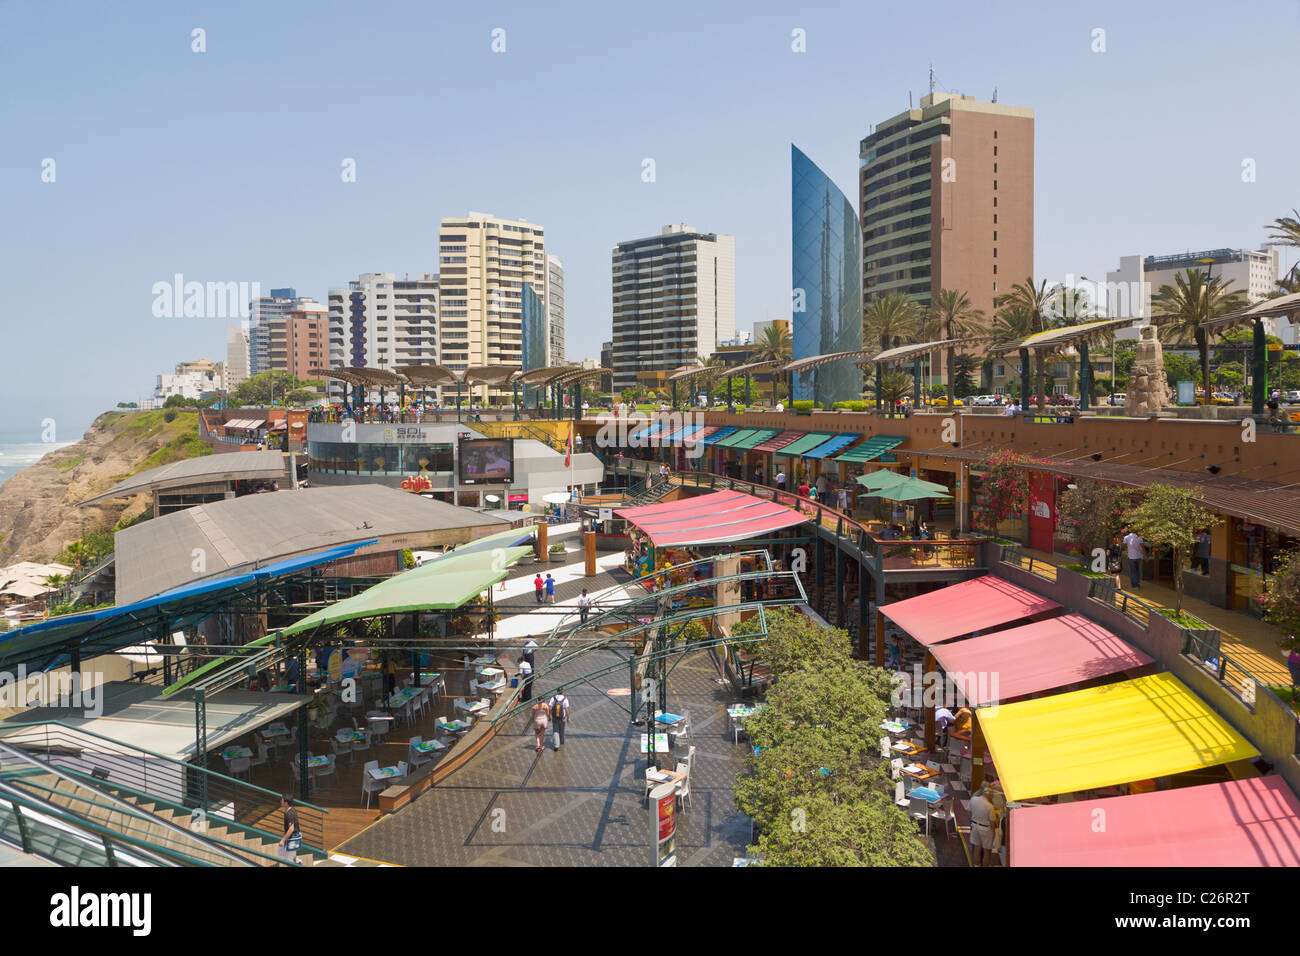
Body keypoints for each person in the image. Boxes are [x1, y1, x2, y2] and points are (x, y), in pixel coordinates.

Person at [968, 785, 998, 866]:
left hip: (974, 825)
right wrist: (996, 831)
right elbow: (992, 823)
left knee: (977, 847)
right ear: (989, 795)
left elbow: (969, 812)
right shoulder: (989, 806)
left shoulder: (973, 799)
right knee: (987, 851)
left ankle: (976, 865)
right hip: (985, 829)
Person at [277, 795, 301, 862]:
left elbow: (291, 829)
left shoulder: (289, 813)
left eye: (282, 800)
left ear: (286, 803)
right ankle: (298, 861)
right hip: (293, 837)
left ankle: (297, 861)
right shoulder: (292, 809)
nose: (280, 801)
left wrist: (283, 840)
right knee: (291, 856)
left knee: (287, 860)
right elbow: (296, 823)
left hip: (291, 839)